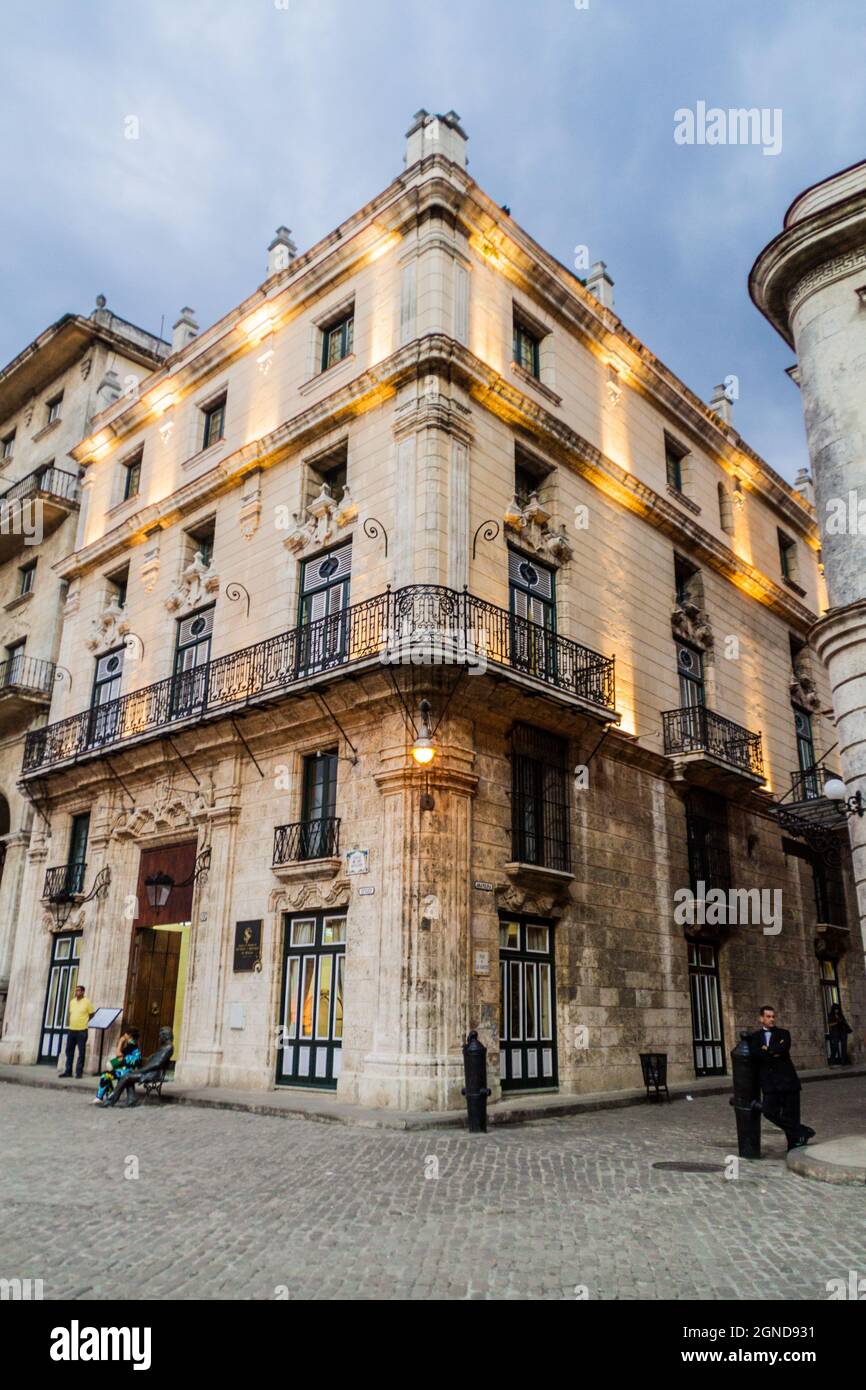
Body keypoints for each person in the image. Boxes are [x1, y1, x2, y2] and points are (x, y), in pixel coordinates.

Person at [748, 1005, 815, 1151]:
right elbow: (756, 1054)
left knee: (791, 1114)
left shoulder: (784, 1034)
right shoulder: (755, 1037)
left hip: (788, 1082)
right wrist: (771, 1052)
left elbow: (782, 1049)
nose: (771, 1019)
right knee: (769, 1112)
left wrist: (767, 1050)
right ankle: (803, 1131)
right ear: (761, 1018)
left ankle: (794, 1145)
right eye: (768, 1016)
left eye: (773, 1016)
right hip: (769, 1084)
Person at [103, 1027, 174, 1109]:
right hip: (150, 1072)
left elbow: (156, 1064)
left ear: (165, 1036)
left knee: (126, 1076)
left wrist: (140, 1071)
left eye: (160, 1036)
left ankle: (110, 1101)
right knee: (128, 1075)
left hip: (152, 1074)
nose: (159, 1038)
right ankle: (131, 1099)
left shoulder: (168, 1048)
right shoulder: (165, 1047)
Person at [94, 1029, 142, 1104]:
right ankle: (110, 1096)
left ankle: (100, 1098)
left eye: (125, 1034)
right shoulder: (134, 1044)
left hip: (129, 1071)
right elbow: (122, 1058)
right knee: (107, 1074)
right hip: (130, 1070)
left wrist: (120, 1041)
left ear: (129, 1035)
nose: (123, 1035)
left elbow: (118, 1054)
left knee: (105, 1075)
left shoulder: (131, 1045)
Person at [60, 985, 95, 1079]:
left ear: (83, 992)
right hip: (72, 1029)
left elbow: (92, 1014)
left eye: (79, 991)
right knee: (69, 1051)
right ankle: (68, 1071)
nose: (77, 992)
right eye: (76, 991)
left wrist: (85, 1022)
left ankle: (79, 1072)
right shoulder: (72, 1002)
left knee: (81, 1052)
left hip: (82, 1030)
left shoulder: (87, 1002)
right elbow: (71, 1013)